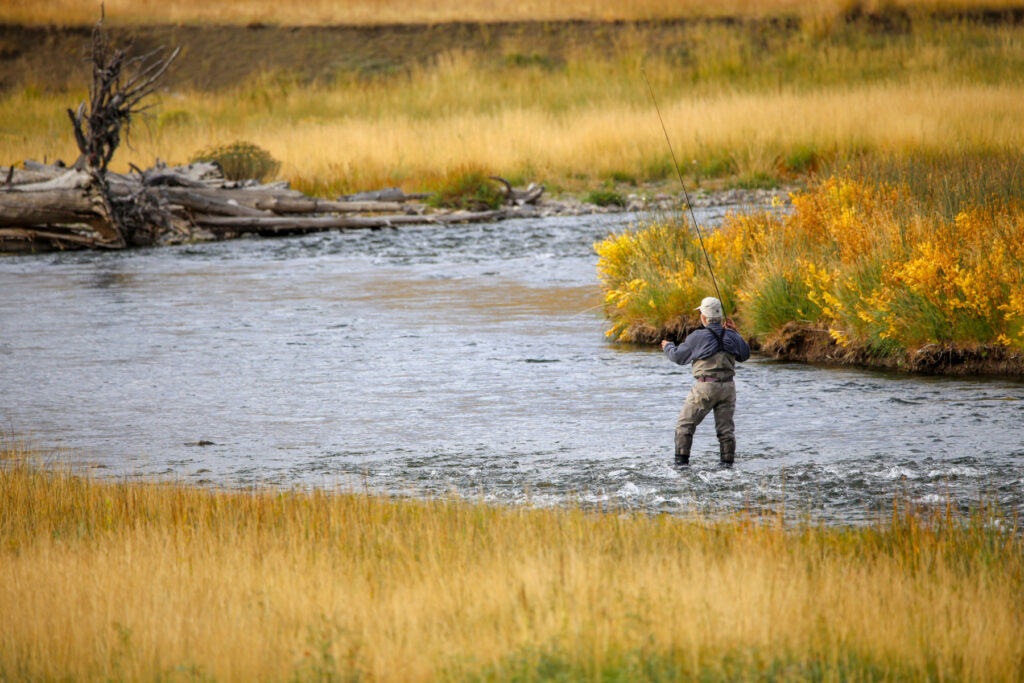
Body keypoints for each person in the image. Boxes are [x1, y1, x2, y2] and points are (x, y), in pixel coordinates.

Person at [660, 296, 750, 465]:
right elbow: (744, 355)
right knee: (726, 432)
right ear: (720, 316)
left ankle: (681, 465)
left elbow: (678, 357)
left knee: (684, 426)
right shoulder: (732, 335)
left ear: (703, 317)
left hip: (705, 388)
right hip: (728, 388)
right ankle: (727, 466)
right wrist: (735, 333)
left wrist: (668, 347)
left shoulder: (698, 336)